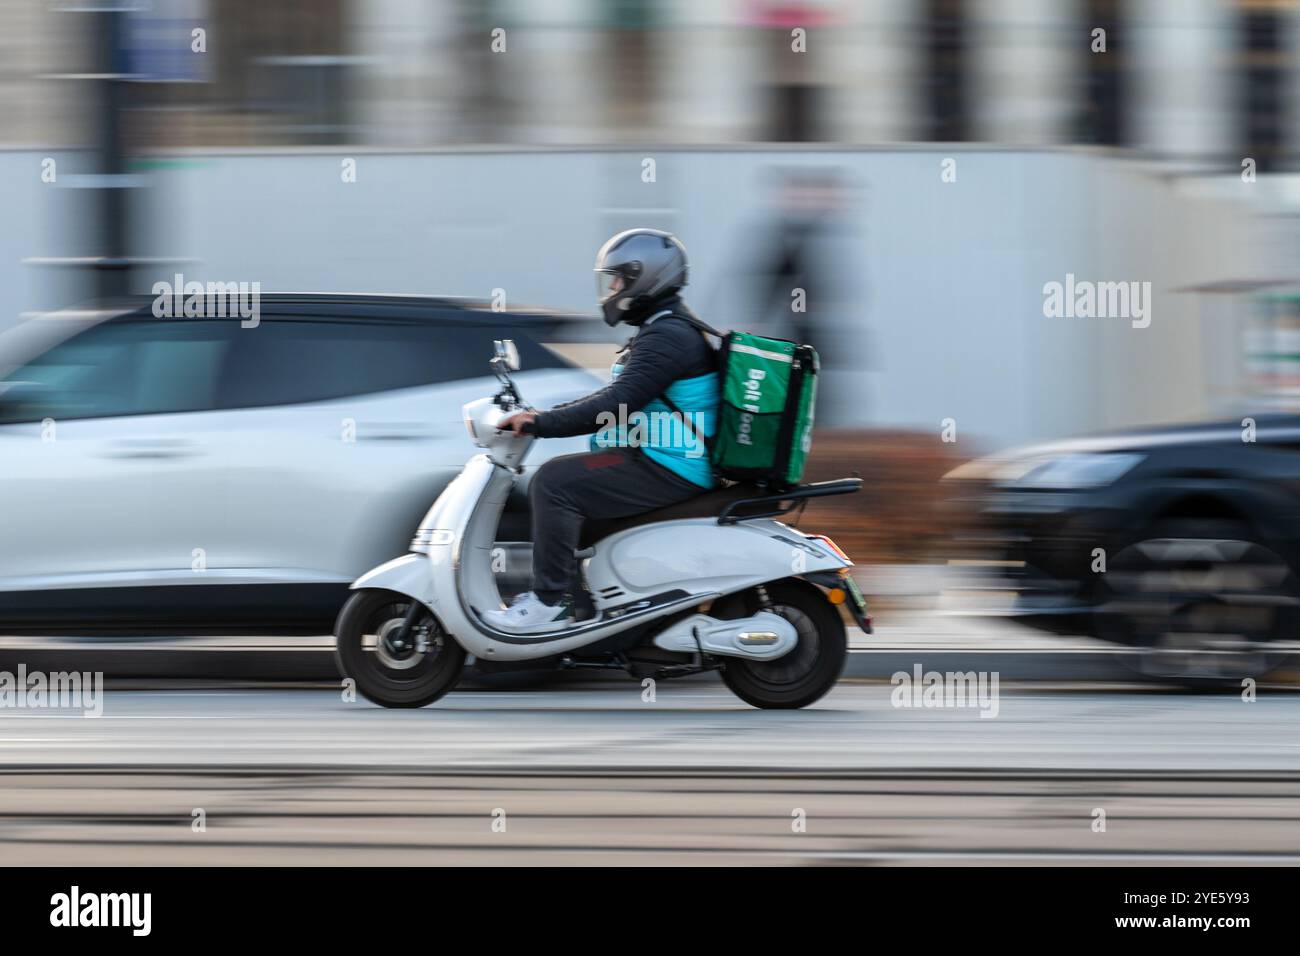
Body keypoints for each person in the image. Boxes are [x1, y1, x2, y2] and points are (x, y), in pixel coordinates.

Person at [482, 228, 719, 634]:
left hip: (673, 466)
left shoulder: (668, 337)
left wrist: (541, 423)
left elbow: (616, 405)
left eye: (617, 279)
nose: (610, 288)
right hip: (662, 460)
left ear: (645, 278)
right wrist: (542, 414)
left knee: (554, 482)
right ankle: (585, 609)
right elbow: (615, 397)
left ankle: (551, 603)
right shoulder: (665, 329)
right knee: (569, 493)